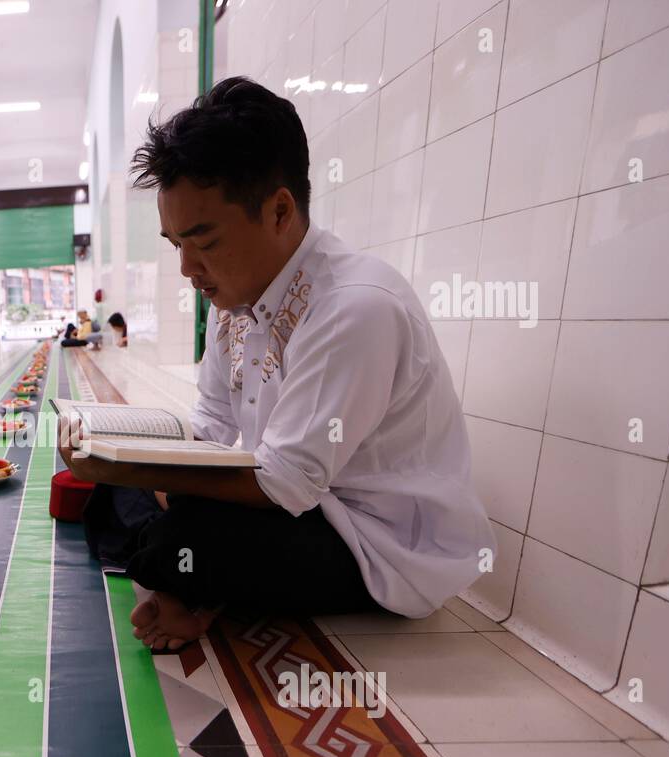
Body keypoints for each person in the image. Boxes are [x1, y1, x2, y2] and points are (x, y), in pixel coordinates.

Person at [61, 77, 491, 652]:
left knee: (180, 536)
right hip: (292, 501)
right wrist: (124, 458)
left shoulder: (355, 307)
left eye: (203, 240)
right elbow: (212, 429)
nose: (188, 268)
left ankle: (181, 578)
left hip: (372, 543)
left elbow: (283, 483)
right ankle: (181, 580)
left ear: (280, 210)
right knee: (128, 498)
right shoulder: (234, 302)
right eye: (175, 245)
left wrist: (141, 476)